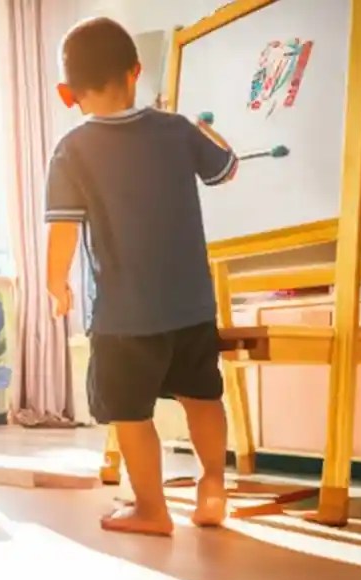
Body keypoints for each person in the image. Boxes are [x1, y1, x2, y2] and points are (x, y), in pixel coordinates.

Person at [44, 17, 239, 536]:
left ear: (68, 93)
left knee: (130, 412)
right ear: (136, 72)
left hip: (123, 316)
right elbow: (226, 168)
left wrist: (55, 284)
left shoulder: (72, 150)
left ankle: (151, 507)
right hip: (191, 307)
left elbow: (63, 230)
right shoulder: (176, 130)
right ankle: (214, 485)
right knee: (203, 396)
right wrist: (207, 131)